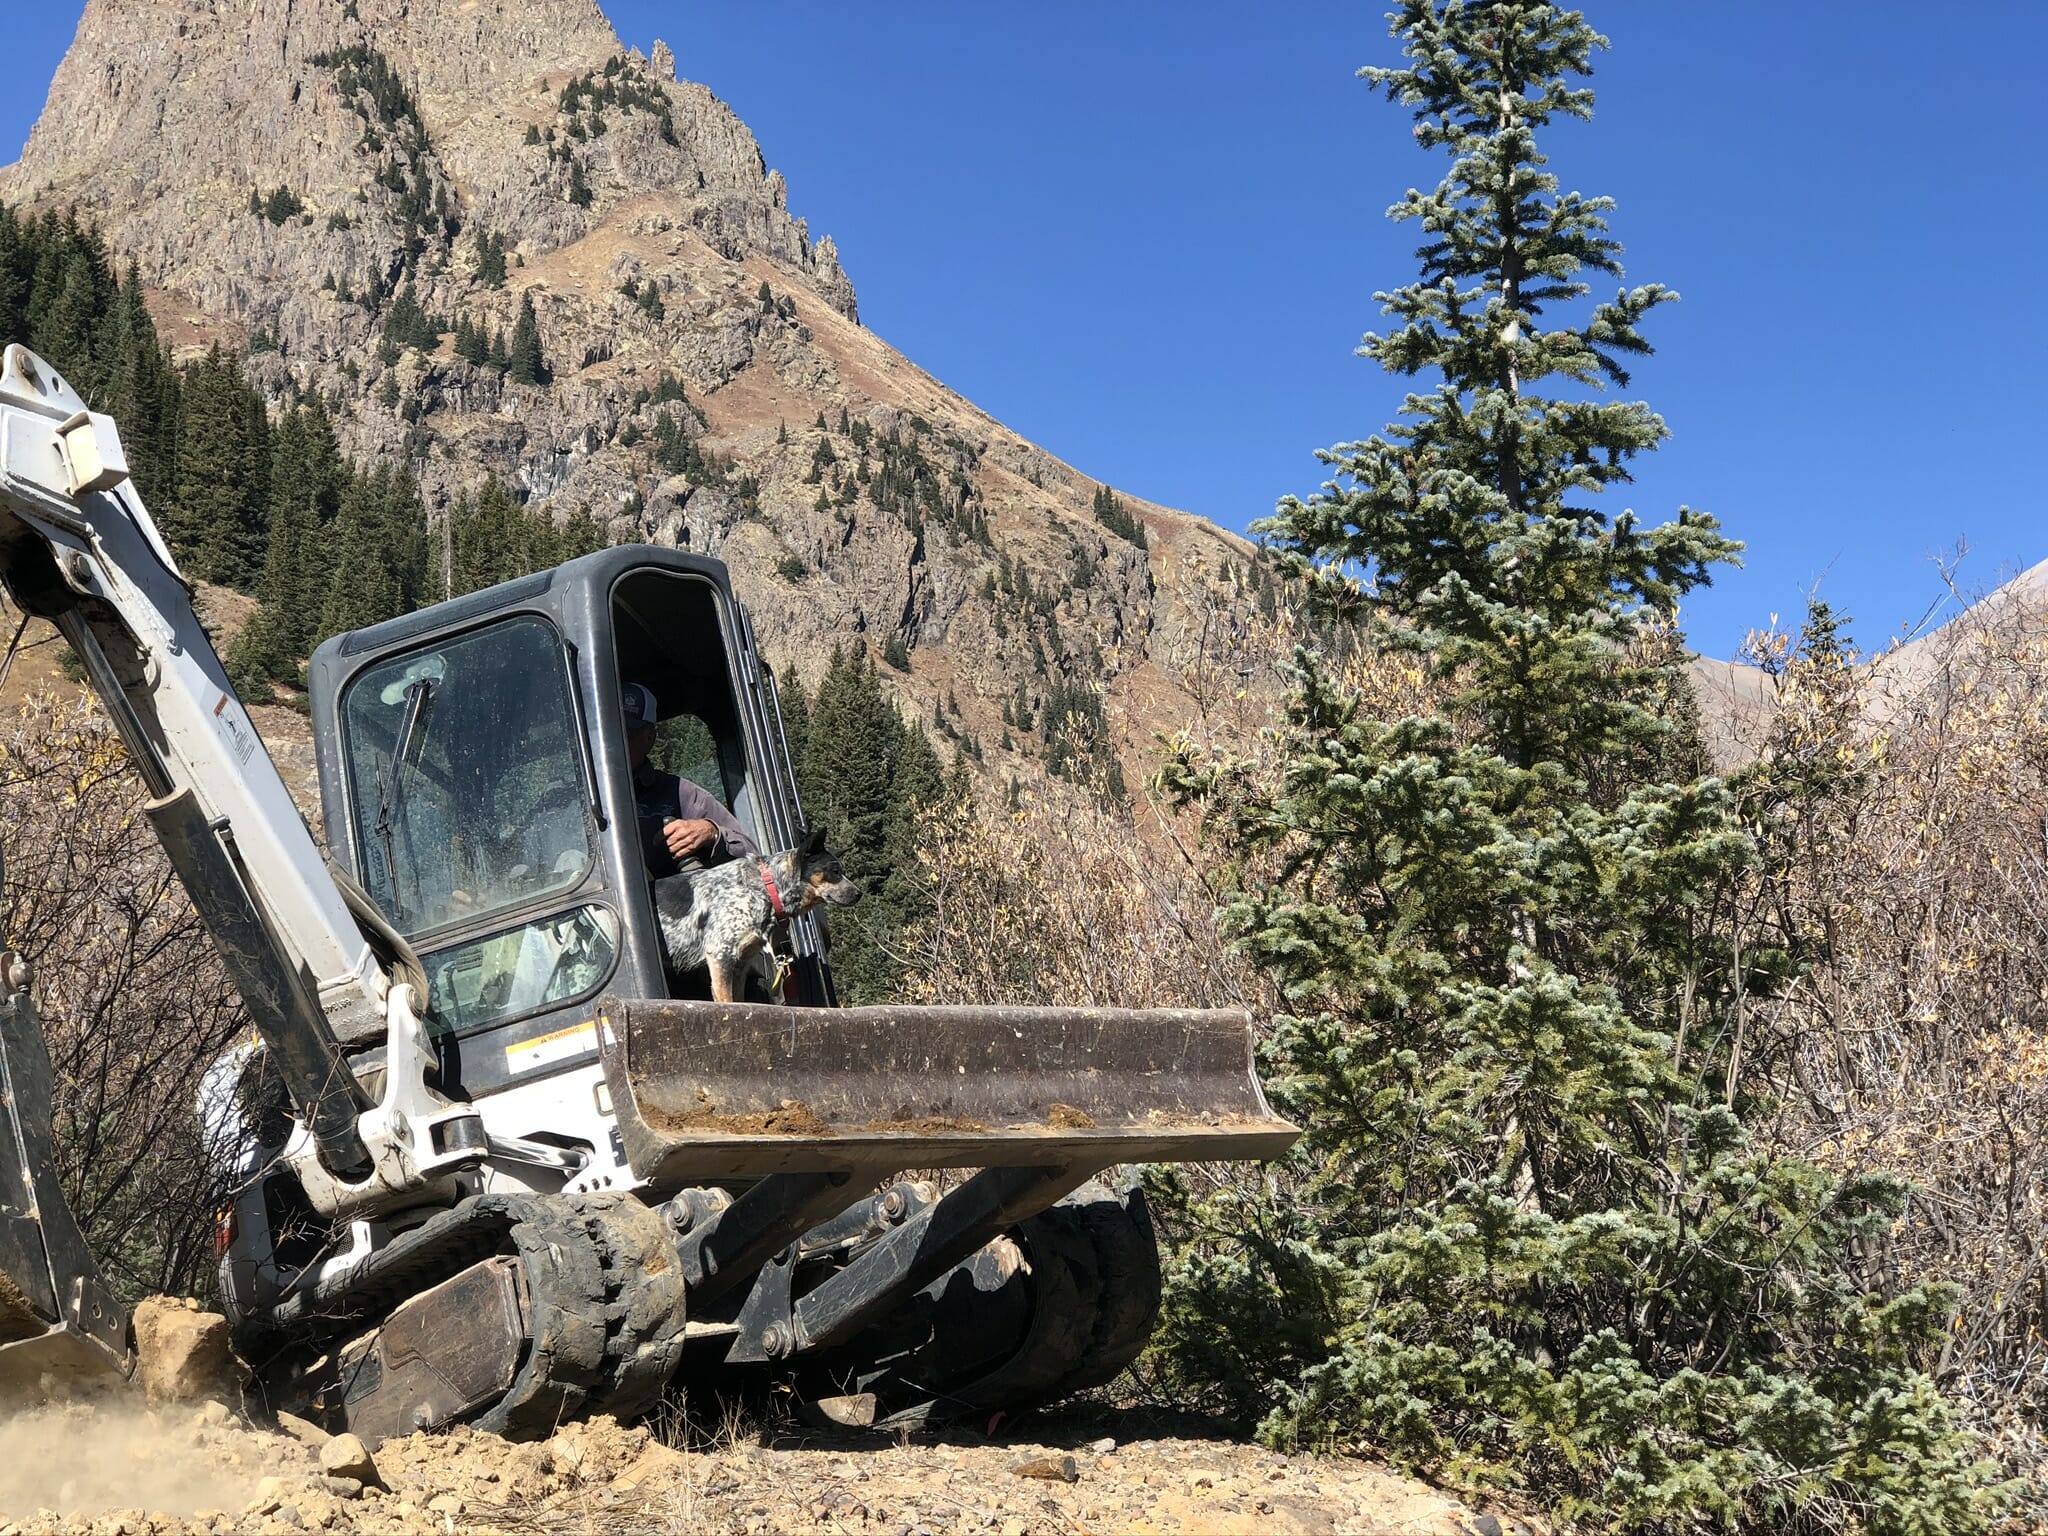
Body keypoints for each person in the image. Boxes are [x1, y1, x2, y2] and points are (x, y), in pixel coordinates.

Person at [621, 681, 758, 874]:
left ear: (649, 738)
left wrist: (711, 832)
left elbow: (751, 855)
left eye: (625, 733)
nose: (612, 745)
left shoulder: (684, 795)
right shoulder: (580, 799)